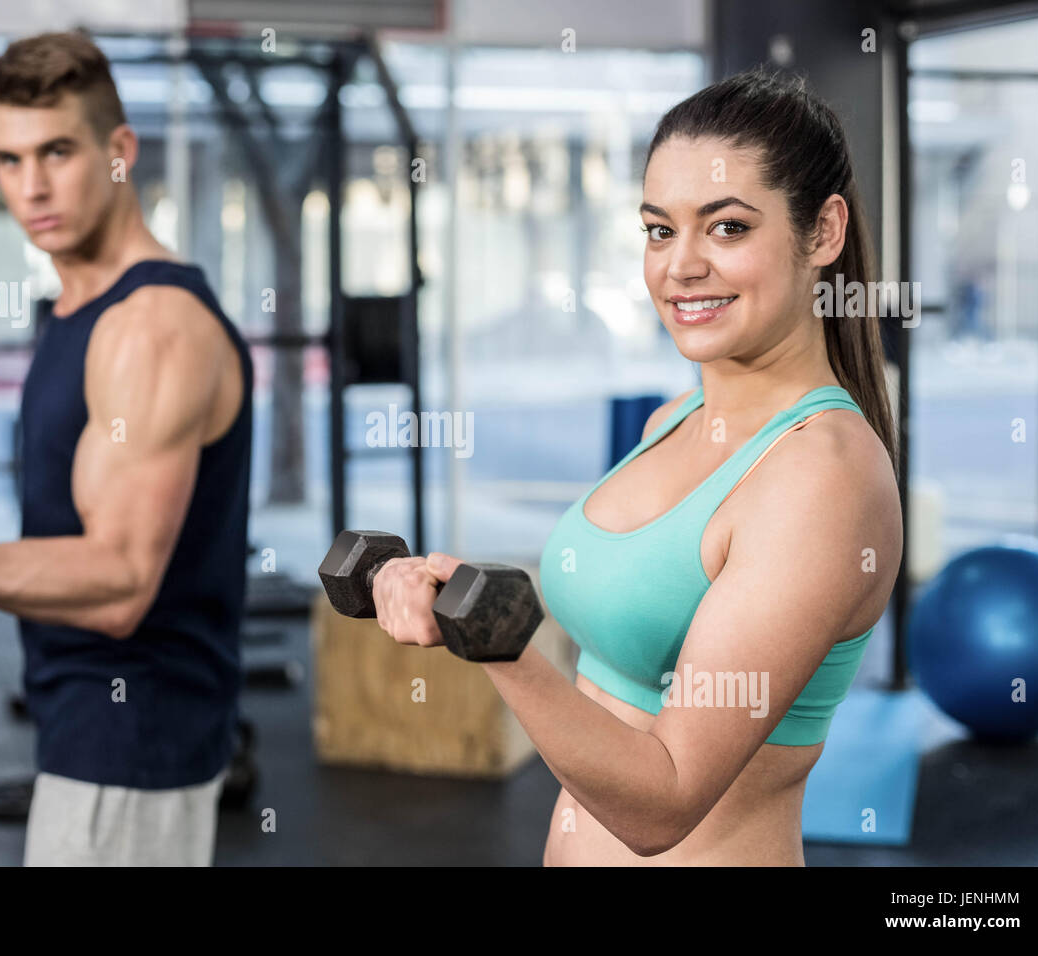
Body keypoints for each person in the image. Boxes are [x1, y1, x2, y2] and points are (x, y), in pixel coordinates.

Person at [365, 69, 902, 865]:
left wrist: (499, 644)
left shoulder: (819, 478)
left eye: (726, 229)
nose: (680, 266)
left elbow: (666, 800)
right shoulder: (676, 419)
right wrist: (451, 590)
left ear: (822, 232)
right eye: (659, 230)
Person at [0, 30, 253, 866]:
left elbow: (119, 585)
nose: (32, 187)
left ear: (120, 151)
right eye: (9, 159)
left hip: (129, 745)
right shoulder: (77, 309)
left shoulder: (151, 328)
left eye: (56, 151)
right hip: (93, 734)